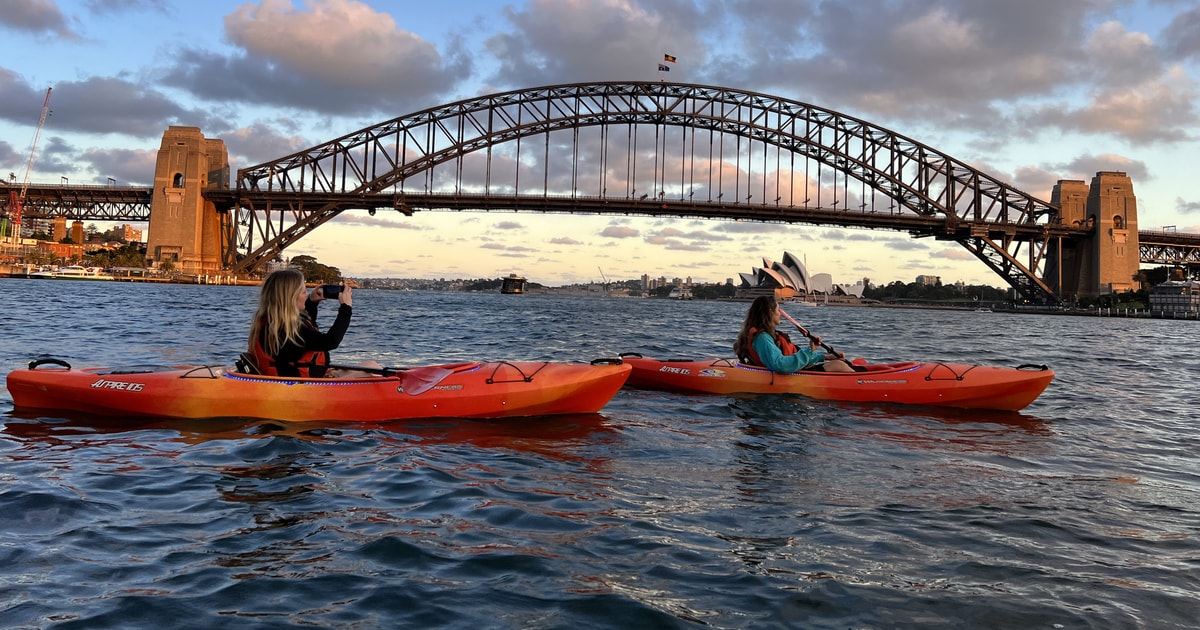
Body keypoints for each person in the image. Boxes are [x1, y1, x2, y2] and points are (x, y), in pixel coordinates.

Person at [248, 268, 354, 377]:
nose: (306, 294)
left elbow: (306, 333)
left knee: (368, 365)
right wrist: (346, 308)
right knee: (371, 370)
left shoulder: (273, 323)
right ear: (291, 297)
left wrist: (312, 303)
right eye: (303, 291)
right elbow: (330, 341)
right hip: (302, 386)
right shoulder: (288, 331)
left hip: (294, 379)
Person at [733, 295, 855, 373]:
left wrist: (825, 357)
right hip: (790, 373)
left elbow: (791, 356)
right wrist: (809, 350)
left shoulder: (767, 335)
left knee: (838, 363)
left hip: (796, 369)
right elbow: (780, 365)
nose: (780, 313)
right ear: (770, 313)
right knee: (838, 366)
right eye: (778, 310)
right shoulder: (762, 338)